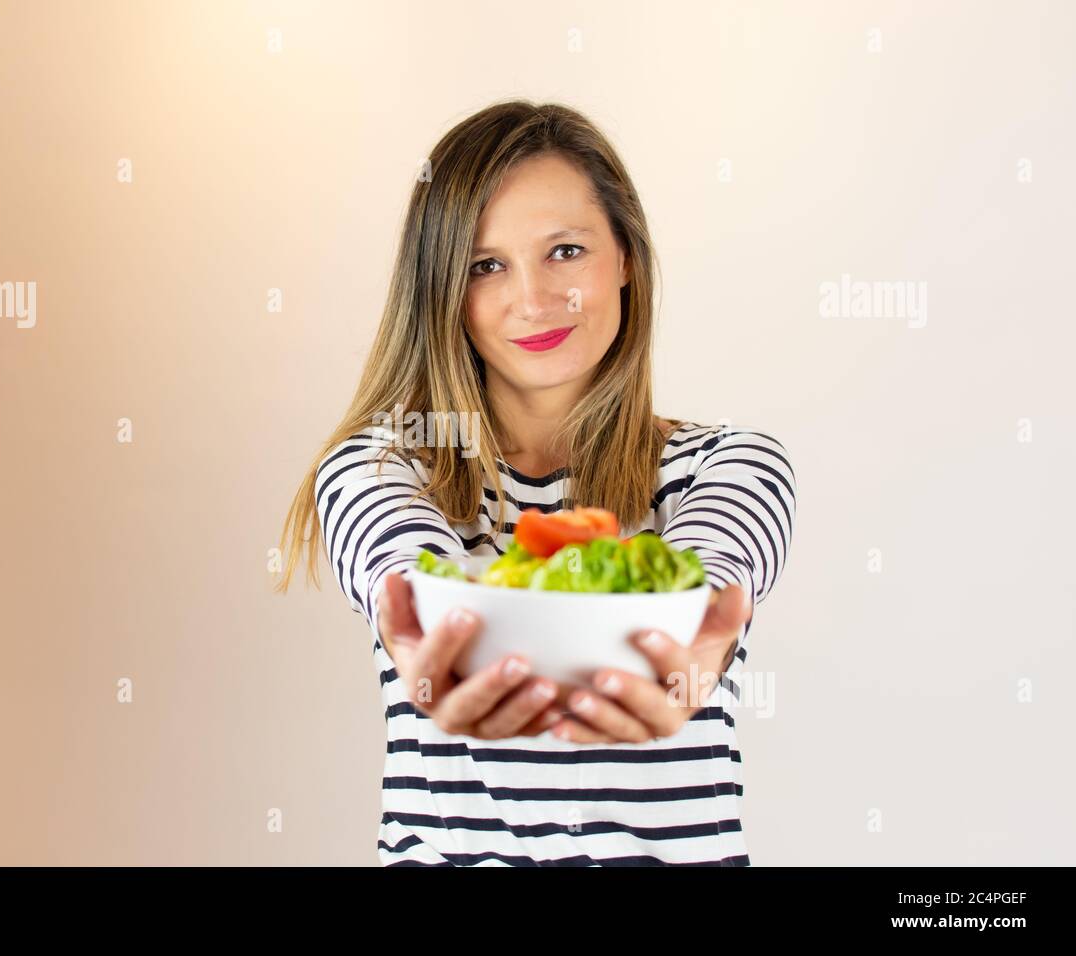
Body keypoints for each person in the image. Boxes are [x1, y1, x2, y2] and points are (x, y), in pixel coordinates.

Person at [278, 100, 796, 866]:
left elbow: (713, 571)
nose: (533, 300)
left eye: (565, 251)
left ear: (624, 257)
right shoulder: (382, 465)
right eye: (486, 266)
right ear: (441, 293)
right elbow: (406, 574)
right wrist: (438, 636)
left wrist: (688, 638)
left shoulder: (731, 464)